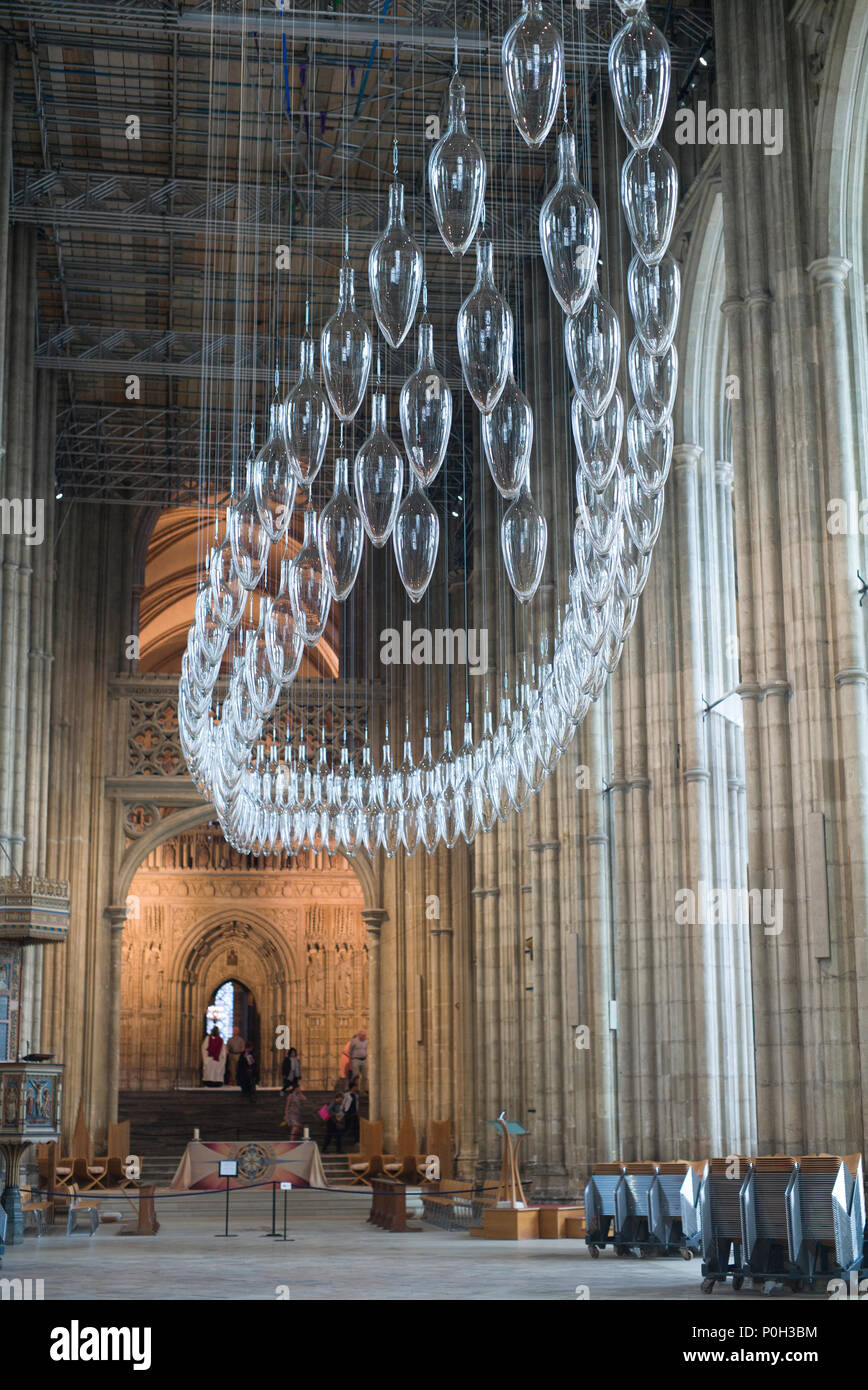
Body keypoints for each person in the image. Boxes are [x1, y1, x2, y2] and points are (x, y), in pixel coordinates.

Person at [341, 1078, 360, 1146]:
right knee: (347, 1127)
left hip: (354, 1113)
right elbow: (343, 1104)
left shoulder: (356, 1095)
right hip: (348, 1112)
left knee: (357, 1127)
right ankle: (340, 1139)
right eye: (355, 1087)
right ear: (352, 1088)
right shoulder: (346, 1095)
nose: (356, 1088)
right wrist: (342, 1111)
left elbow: (356, 1104)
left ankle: (356, 1141)